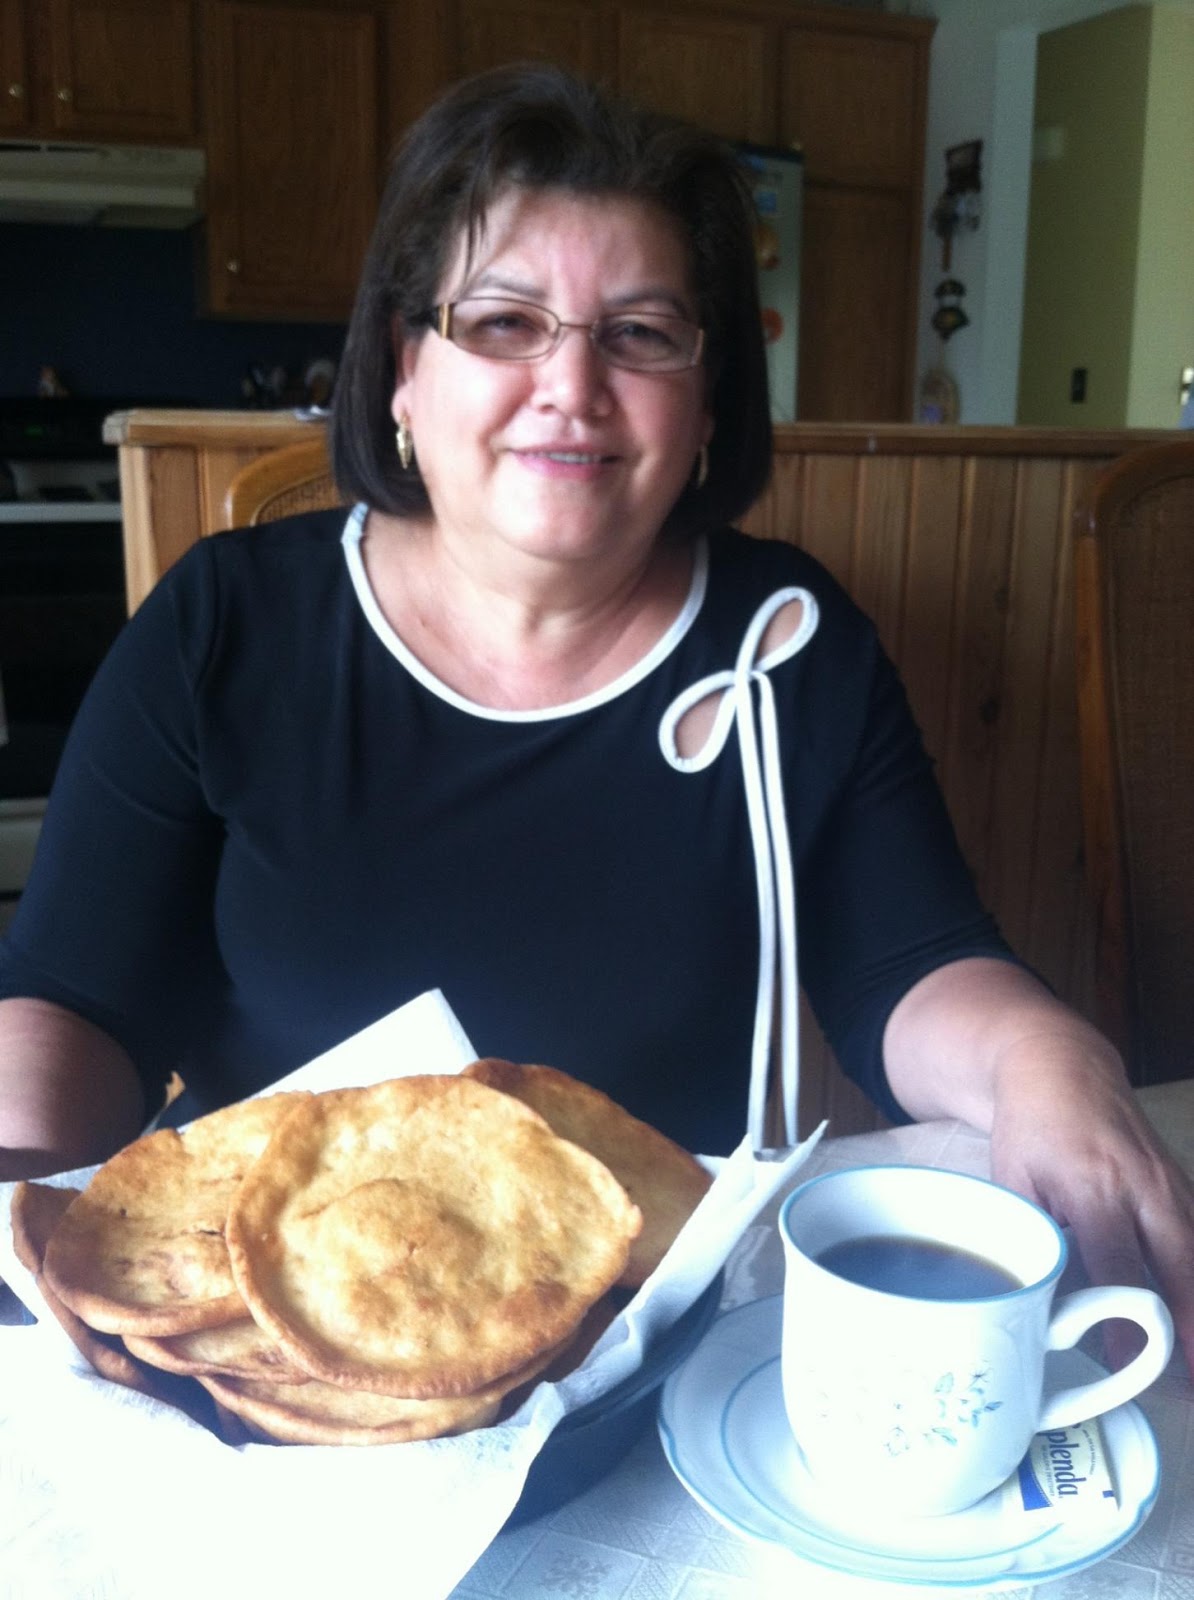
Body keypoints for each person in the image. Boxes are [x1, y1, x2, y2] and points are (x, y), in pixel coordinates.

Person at [1, 65, 1192, 1370]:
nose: (571, 383)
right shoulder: (222, 628)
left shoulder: (782, 644)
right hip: (277, 1356)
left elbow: (904, 966)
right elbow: (79, 1001)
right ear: (405, 368)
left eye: (640, 331)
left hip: (658, 1339)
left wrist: (1043, 1056)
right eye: (505, 322)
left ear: (707, 400)